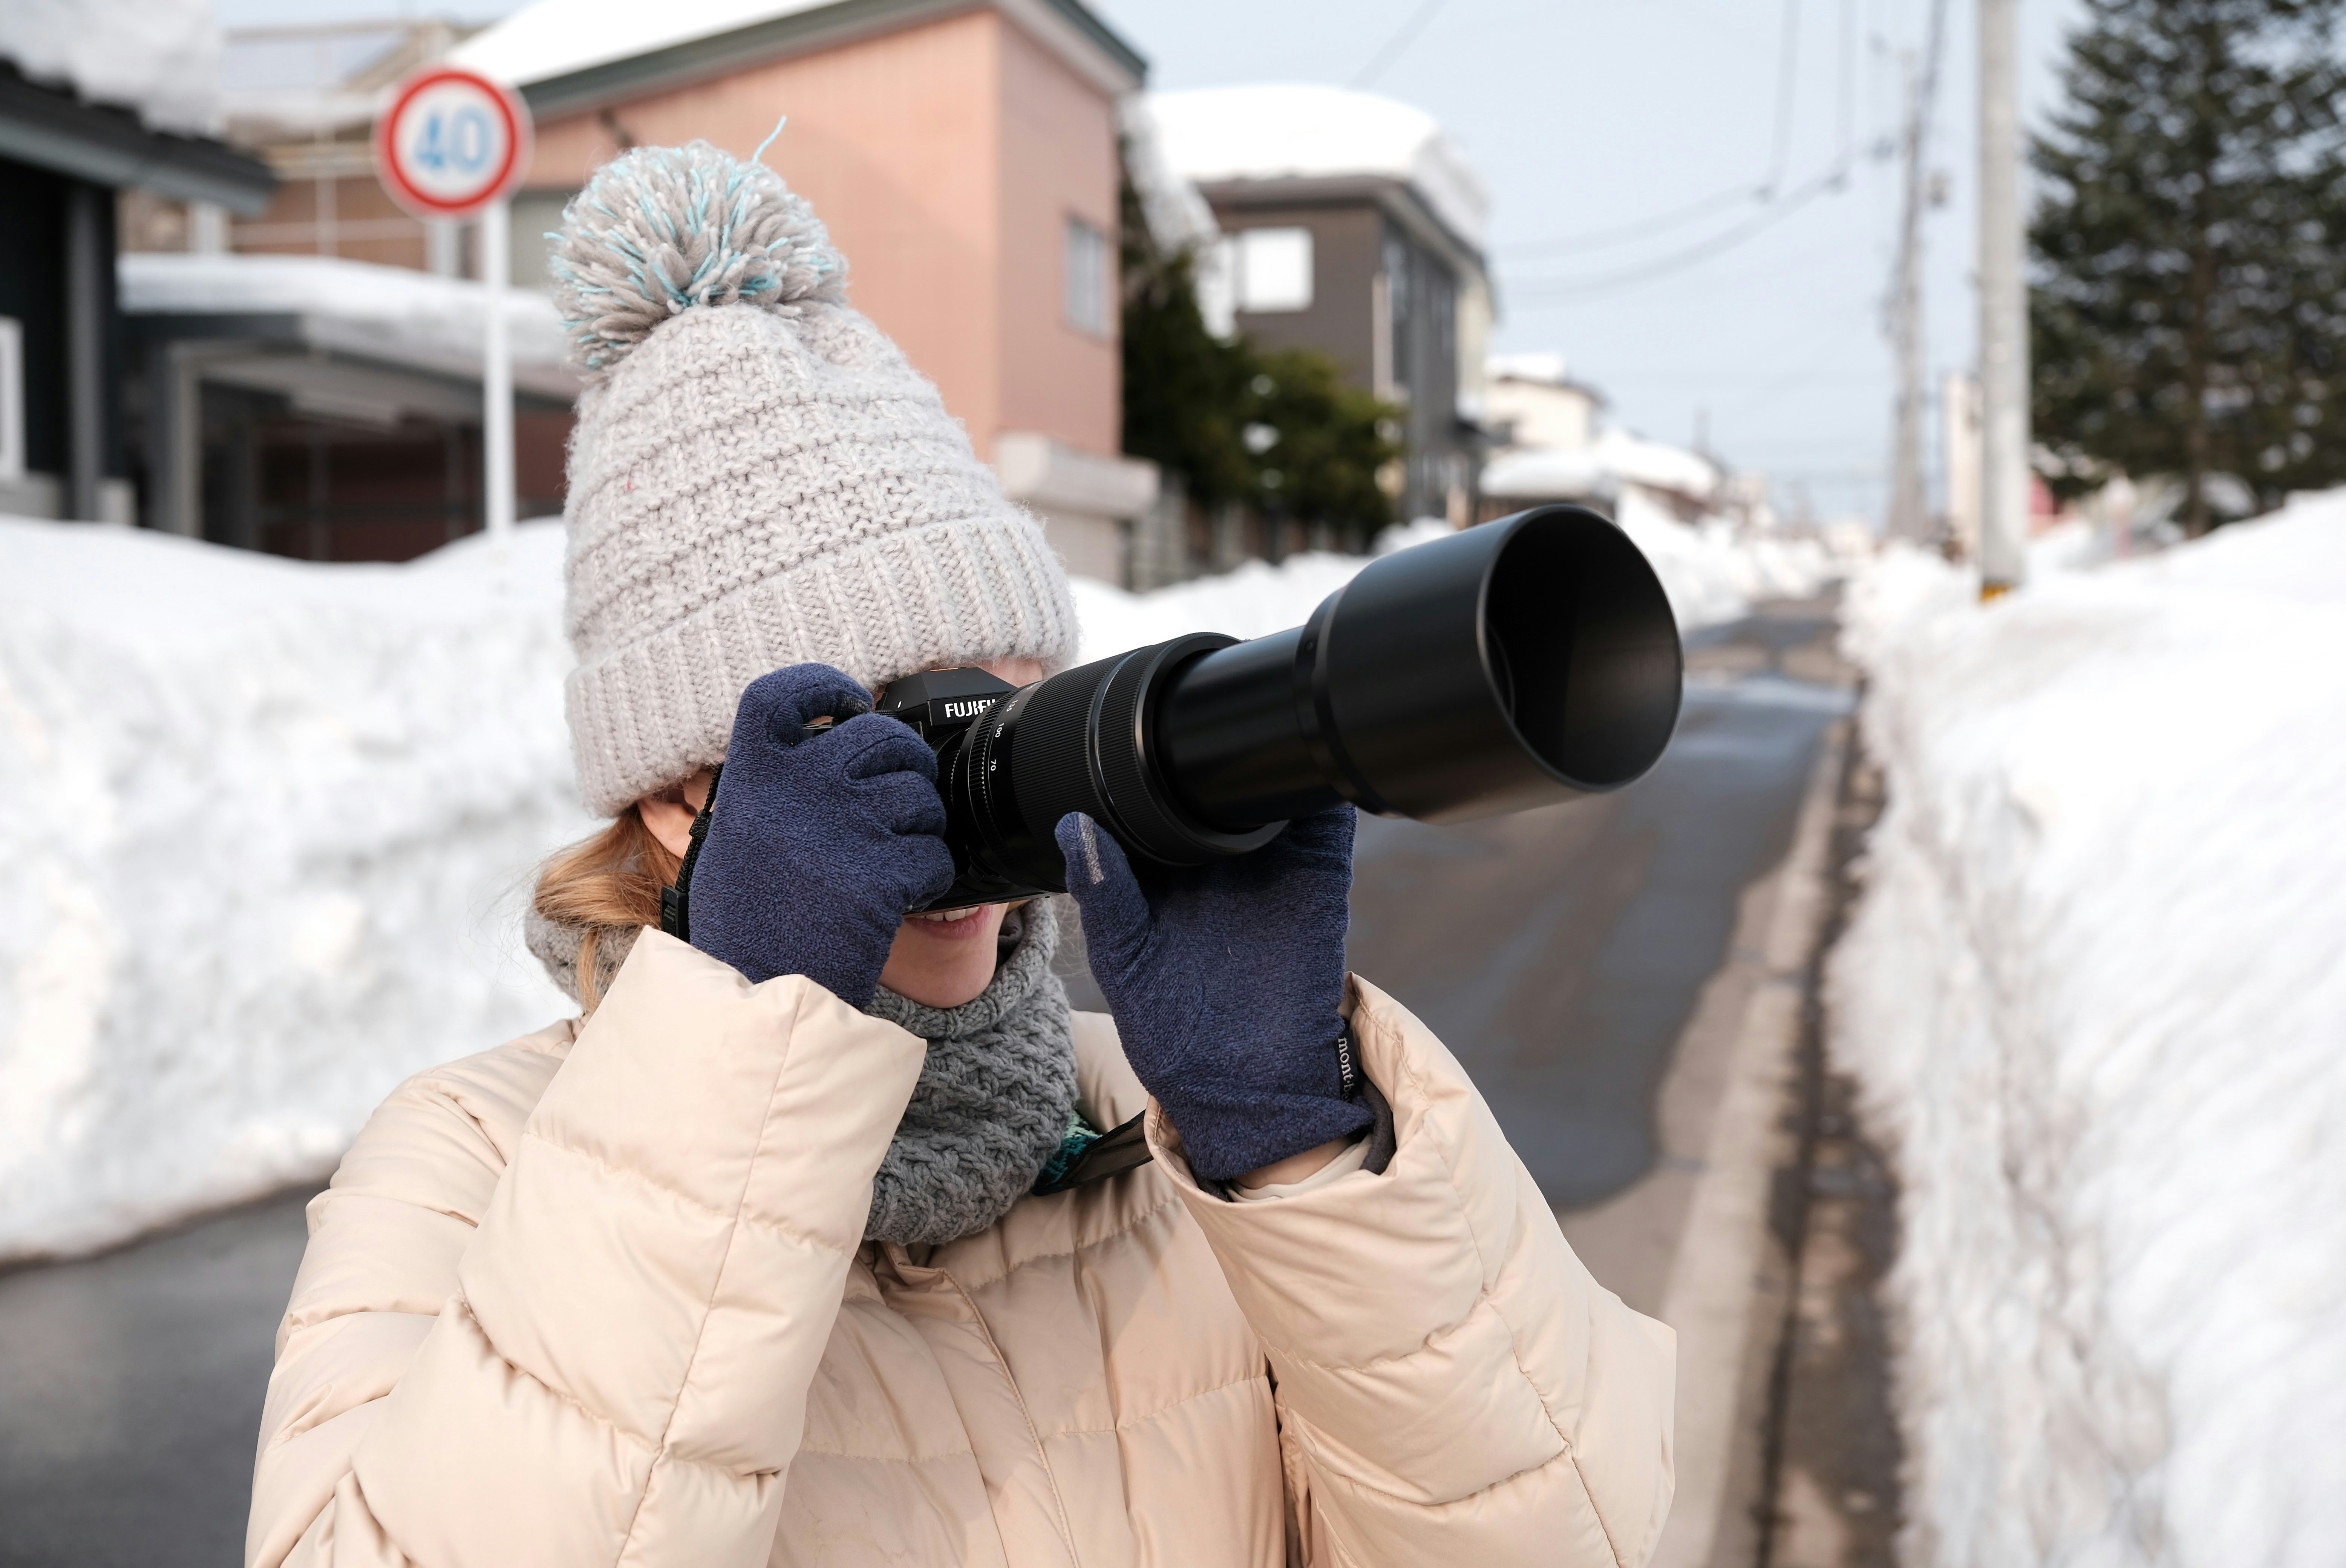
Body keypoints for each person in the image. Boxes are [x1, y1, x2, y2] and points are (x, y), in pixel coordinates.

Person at [246, 141, 1675, 1568]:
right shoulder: (469, 1168)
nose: (948, 780)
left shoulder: (1164, 1127)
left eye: (992, 701)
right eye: (869, 728)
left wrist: (1302, 1155)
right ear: (683, 806)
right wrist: (732, 1050)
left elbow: (1556, 1540)